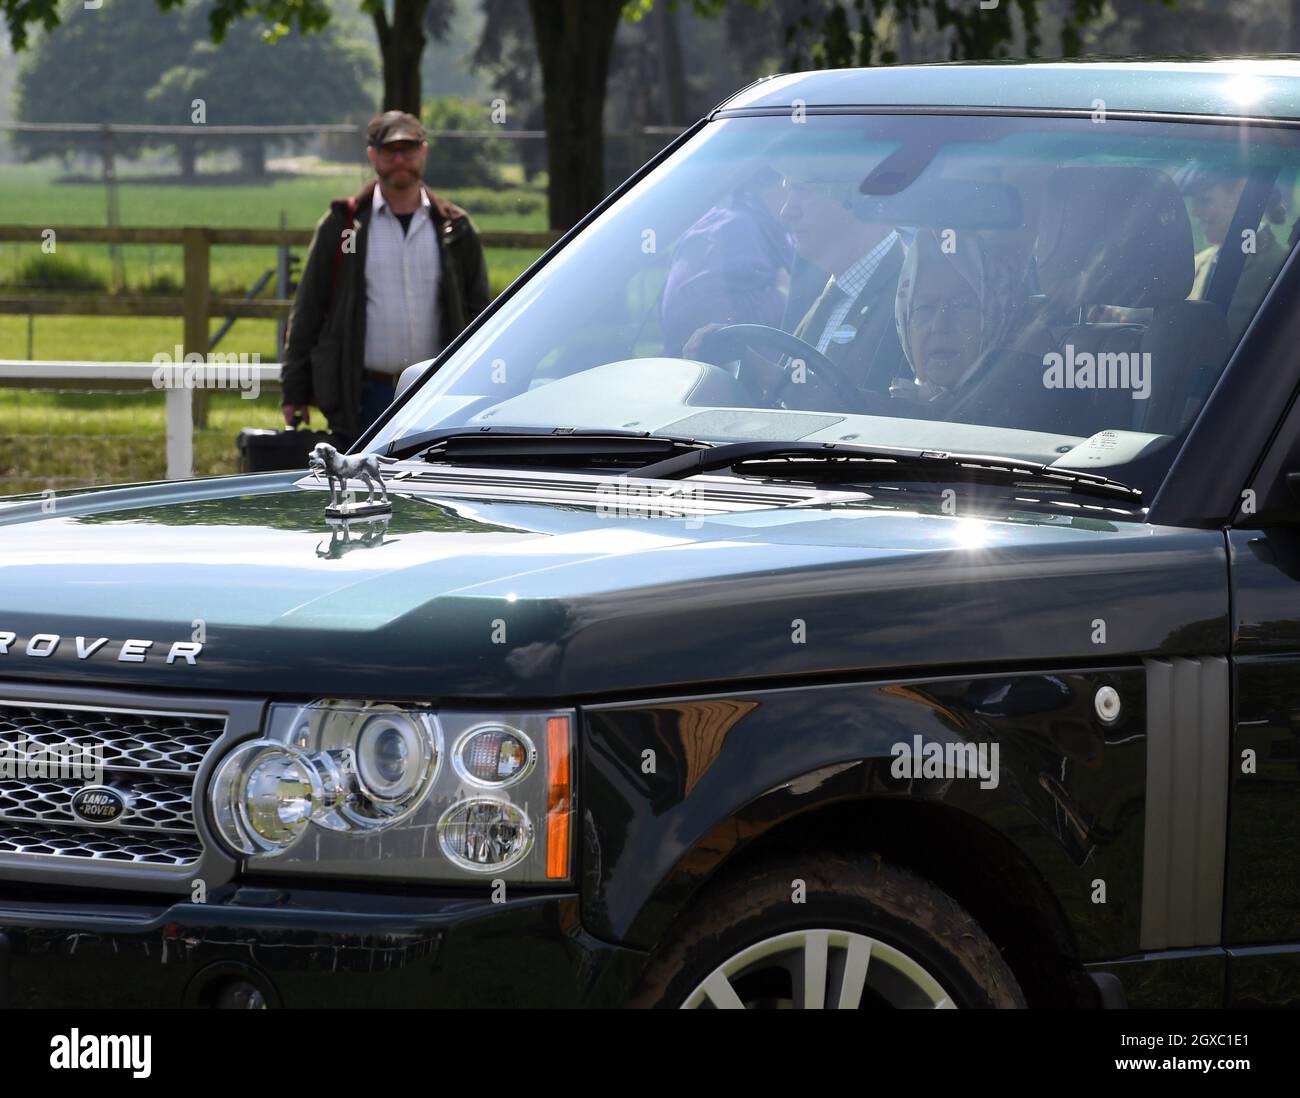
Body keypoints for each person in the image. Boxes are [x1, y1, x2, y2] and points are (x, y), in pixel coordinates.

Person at [282, 110, 490, 445]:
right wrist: (294, 390)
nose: (399, 160)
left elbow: (481, 314)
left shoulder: (455, 228)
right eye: (389, 151)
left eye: (408, 150)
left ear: (424, 151)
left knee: (430, 493)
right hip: (364, 395)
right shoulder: (342, 226)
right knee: (363, 492)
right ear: (372, 156)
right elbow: (307, 311)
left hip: (435, 392)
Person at [660, 166, 794, 358]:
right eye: (793, 189)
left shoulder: (739, 222)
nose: (795, 205)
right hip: (714, 374)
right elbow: (707, 312)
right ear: (775, 187)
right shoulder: (738, 228)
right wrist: (784, 294)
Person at [1176, 162, 1291, 340]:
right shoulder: (1199, 262)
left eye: (1205, 200)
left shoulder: (1282, 268)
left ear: (1242, 195)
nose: (1195, 211)